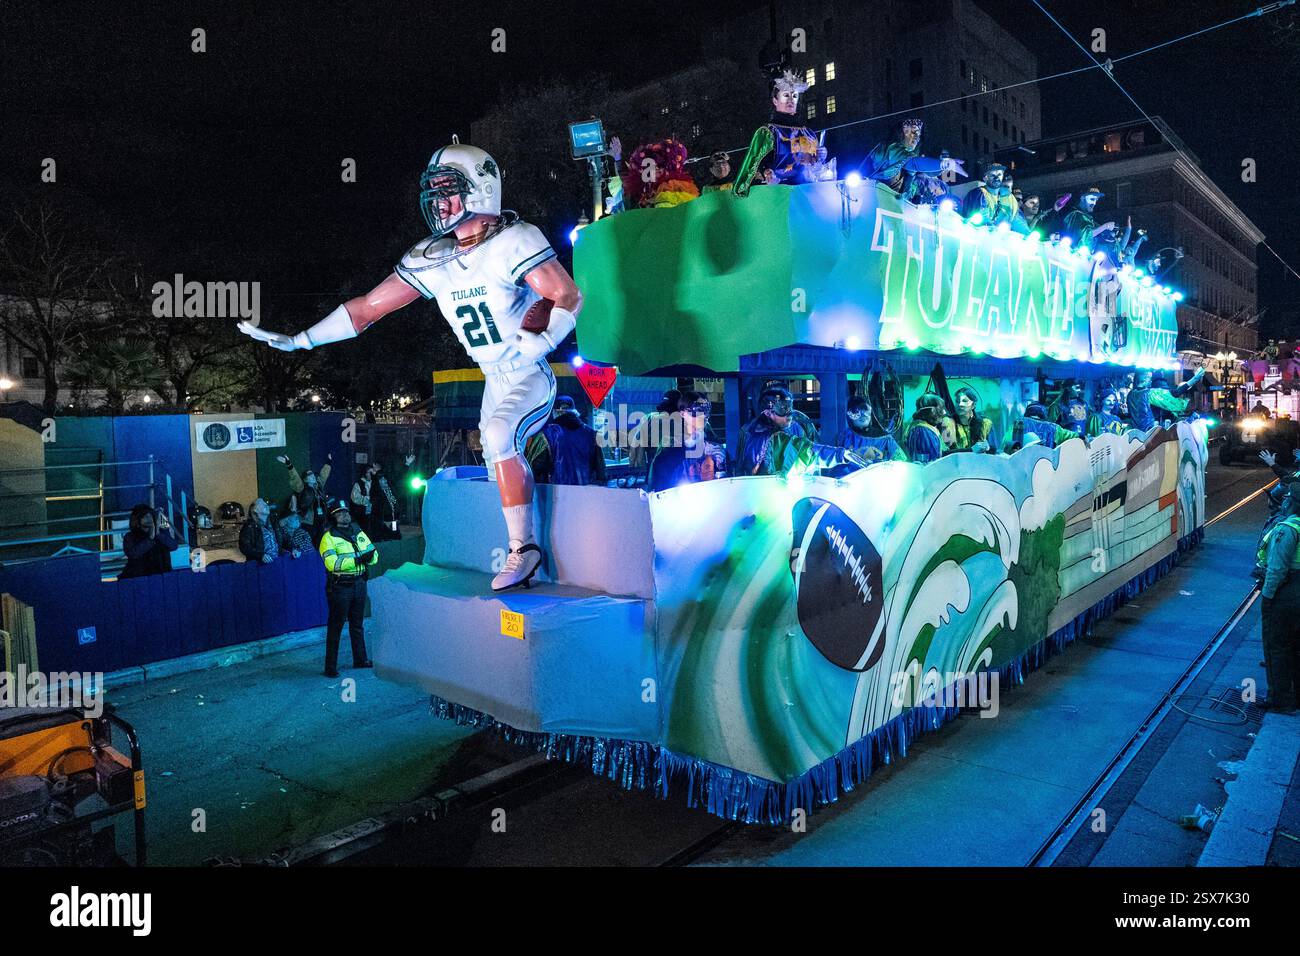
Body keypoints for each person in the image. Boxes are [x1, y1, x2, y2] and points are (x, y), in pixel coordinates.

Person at [239, 140, 582, 592]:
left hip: (527, 373)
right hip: (490, 378)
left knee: (499, 436)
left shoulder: (514, 241)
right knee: (496, 444)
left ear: (481, 190)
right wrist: (300, 339)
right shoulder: (433, 258)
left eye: (448, 190)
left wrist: (544, 338)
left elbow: (568, 295)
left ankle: (524, 549)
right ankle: (521, 545)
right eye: (434, 191)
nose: (438, 202)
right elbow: (366, 309)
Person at [734, 68, 835, 195]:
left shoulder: (808, 132)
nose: (791, 100)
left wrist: (821, 156)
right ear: (775, 100)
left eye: (794, 96)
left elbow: (814, 167)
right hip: (780, 194)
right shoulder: (768, 132)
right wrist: (765, 172)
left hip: (807, 193)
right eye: (786, 95)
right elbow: (752, 165)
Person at [318, 500, 377, 678]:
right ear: (334, 517)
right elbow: (332, 564)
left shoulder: (357, 531)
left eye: (346, 511)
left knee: (357, 625)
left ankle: (360, 659)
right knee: (336, 626)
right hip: (340, 586)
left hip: (359, 583)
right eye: (340, 512)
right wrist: (359, 560)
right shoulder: (328, 538)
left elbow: (373, 555)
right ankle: (330, 666)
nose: (345, 514)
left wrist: (368, 558)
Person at [1258, 483, 1300, 713]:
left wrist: (1268, 596)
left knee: (1278, 647)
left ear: (1291, 503)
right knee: (1296, 648)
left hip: (1287, 593)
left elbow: (1277, 569)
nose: (1283, 502)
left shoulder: (1288, 528)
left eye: (1286, 499)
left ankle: (1280, 700)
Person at [857, 118, 966, 198]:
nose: (916, 138)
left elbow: (922, 172)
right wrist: (945, 164)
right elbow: (914, 164)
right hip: (866, 195)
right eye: (913, 133)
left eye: (918, 135)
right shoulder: (891, 149)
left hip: (886, 201)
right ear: (903, 132)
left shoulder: (907, 161)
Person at [648, 392, 728, 491]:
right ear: (682, 413)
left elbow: (726, 478)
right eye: (696, 411)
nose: (701, 417)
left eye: (705, 412)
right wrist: (685, 446)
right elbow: (659, 472)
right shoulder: (671, 442)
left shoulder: (714, 444)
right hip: (678, 497)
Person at [533, 395, 607, 486]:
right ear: (574, 412)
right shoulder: (591, 434)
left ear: (555, 412)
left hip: (558, 495)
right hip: (586, 495)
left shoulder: (547, 435)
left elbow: (535, 469)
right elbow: (601, 472)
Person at [1127, 367, 1206, 431]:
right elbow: (1176, 393)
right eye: (1149, 378)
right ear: (1145, 379)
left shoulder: (1130, 394)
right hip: (1148, 432)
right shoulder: (1150, 393)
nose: (1150, 382)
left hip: (1135, 432)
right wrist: (1195, 378)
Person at [279, 453, 333, 543]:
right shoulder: (302, 488)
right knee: (309, 541)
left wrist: (329, 462)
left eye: (312, 475)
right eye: (309, 476)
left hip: (321, 520)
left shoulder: (318, 486)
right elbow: (295, 477)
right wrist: (289, 464)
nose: (312, 477)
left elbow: (324, 474)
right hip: (308, 522)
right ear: (305, 479)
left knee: (321, 541)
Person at [836, 395, 906, 462]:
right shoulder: (845, 437)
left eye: (866, 411)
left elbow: (901, 461)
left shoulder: (885, 438)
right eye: (857, 411)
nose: (863, 416)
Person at [119, 504, 179, 578]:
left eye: (150, 515)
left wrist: (158, 534)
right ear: (137, 520)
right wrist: (150, 539)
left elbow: (174, 546)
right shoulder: (130, 537)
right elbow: (133, 554)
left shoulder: (161, 533)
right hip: (140, 577)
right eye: (144, 517)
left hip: (162, 576)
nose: (149, 518)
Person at [962, 163, 1020, 229]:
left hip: (1003, 236)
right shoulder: (978, 193)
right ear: (985, 178)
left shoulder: (1010, 198)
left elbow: (1017, 220)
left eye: (999, 175)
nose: (996, 178)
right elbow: (979, 215)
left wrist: (1027, 234)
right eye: (992, 175)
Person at [904, 393, 947, 464]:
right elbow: (927, 462)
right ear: (932, 411)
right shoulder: (923, 431)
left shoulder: (923, 428)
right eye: (941, 409)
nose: (944, 412)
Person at [950, 386, 994, 453]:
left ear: (973, 405)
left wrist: (987, 447)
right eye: (957, 401)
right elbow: (943, 453)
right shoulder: (948, 423)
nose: (960, 404)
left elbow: (994, 449)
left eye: (964, 401)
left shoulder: (985, 423)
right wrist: (971, 450)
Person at [238, 498, 280, 564]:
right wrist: (261, 555)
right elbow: (245, 547)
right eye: (262, 505)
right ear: (255, 510)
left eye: (265, 504)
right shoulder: (249, 526)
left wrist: (292, 548)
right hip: (259, 565)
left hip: (276, 562)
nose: (266, 505)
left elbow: (283, 537)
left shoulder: (273, 521)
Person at [369, 463, 403, 541]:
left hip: (394, 519)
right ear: (378, 481)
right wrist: (374, 475)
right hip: (384, 521)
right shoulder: (376, 492)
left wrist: (406, 464)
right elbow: (374, 486)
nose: (385, 480)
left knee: (395, 536)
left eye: (385, 478)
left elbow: (398, 476)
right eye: (382, 479)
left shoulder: (390, 489)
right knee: (386, 537)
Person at [351, 464, 377, 534]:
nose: (372, 474)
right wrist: (368, 499)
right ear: (365, 473)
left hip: (374, 513)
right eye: (369, 472)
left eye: (373, 472)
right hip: (362, 513)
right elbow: (355, 498)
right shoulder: (359, 484)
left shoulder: (376, 483)